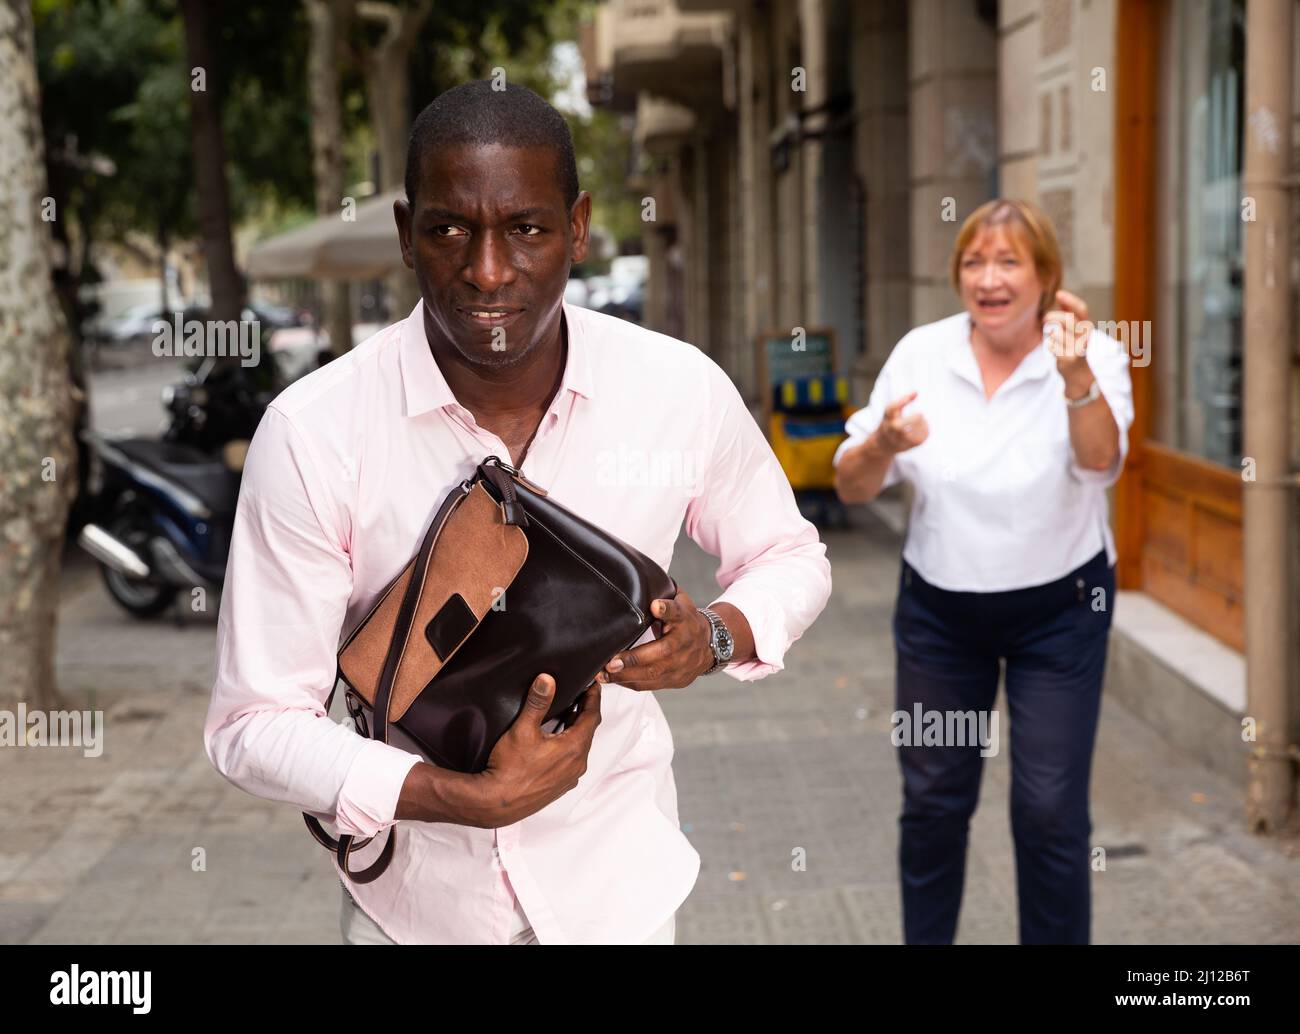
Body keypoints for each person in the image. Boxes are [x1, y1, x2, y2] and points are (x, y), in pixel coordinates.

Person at [203, 80, 832, 945]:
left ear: (576, 227)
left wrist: (715, 638)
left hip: (620, 894)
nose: (487, 270)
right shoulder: (314, 432)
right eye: (449, 228)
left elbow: (790, 555)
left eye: (526, 229)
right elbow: (254, 722)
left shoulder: (676, 389)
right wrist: (458, 798)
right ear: (406, 234)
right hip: (415, 914)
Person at [833, 198, 1133, 945]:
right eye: (974, 261)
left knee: (1049, 807)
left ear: (1046, 277)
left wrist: (1074, 375)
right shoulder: (919, 354)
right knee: (934, 799)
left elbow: (1102, 464)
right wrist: (885, 443)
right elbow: (850, 486)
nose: (989, 278)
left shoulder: (1092, 352)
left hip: (1061, 612)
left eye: (1008, 261)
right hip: (942, 616)